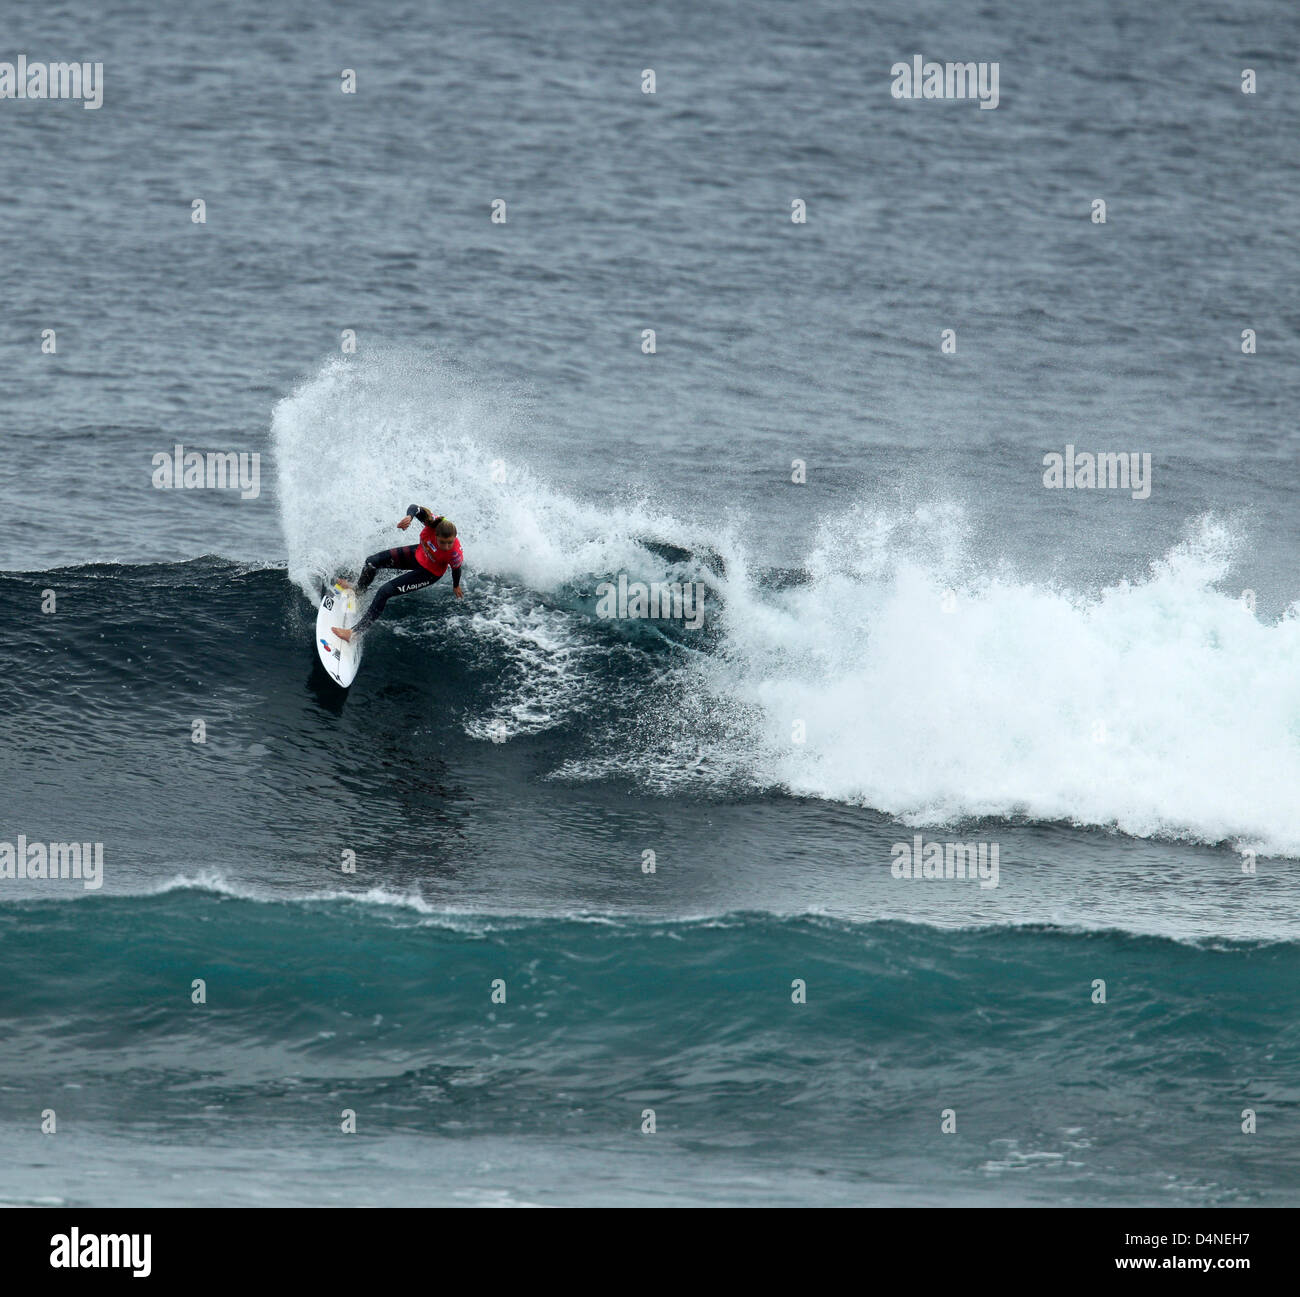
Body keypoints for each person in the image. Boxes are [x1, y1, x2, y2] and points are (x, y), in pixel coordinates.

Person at [332, 506, 463, 641]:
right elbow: (415, 508)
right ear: (435, 534)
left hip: (429, 572)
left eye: (450, 542)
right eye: (443, 542)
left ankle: (354, 633)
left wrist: (456, 586)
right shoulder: (433, 523)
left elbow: (456, 569)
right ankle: (359, 591)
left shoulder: (454, 553)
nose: (447, 546)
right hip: (418, 555)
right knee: (371, 562)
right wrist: (409, 517)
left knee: (384, 591)